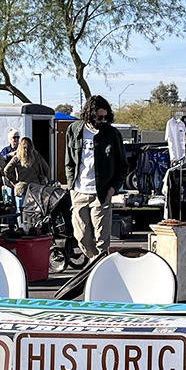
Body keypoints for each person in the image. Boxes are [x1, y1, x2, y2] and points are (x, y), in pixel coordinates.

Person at [65, 95, 128, 261]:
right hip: (78, 191)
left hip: (101, 193)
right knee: (82, 237)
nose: (103, 120)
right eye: (99, 117)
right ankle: (95, 262)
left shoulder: (112, 134)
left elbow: (123, 165)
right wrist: (71, 185)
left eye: (106, 117)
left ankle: (98, 268)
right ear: (89, 114)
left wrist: (113, 188)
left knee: (102, 239)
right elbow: (69, 162)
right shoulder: (74, 129)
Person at [3, 137, 50, 227]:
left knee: (20, 211)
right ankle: (34, 227)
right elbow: (47, 169)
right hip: (35, 188)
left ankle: (22, 228)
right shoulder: (37, 156)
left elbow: (6, 170)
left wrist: (14, 181)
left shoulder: (17, 158)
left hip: (21, 188)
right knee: (35, 210)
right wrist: (45, 179)